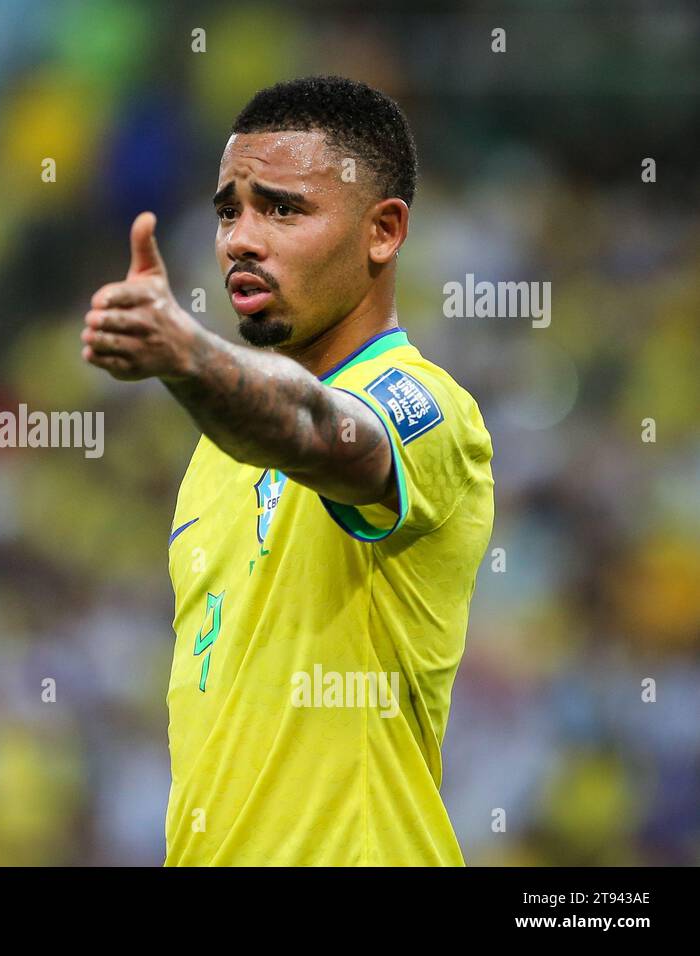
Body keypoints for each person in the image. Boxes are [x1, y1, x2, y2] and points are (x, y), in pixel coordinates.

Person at [81, 75, 494, 865]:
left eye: (282, 208)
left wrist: (188, 354)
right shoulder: (218, 450)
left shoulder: (427, 405)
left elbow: (317, 429)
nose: (241, 237)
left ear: (383, 230)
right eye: (229, 211)